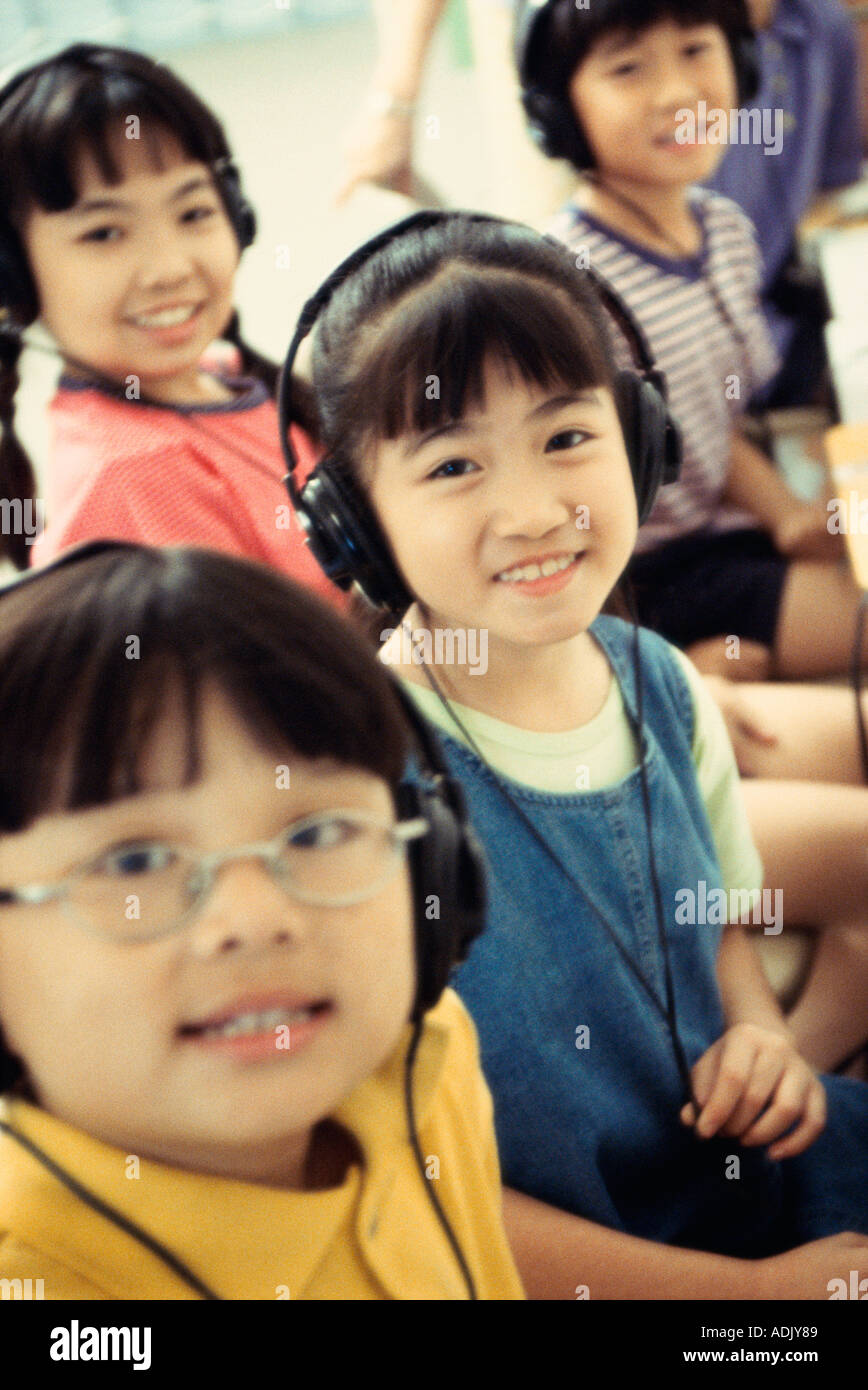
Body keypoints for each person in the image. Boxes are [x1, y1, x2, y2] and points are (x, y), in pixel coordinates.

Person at [282, 210, 868, 1298]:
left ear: (639, 441)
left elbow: (718, 923)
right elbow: (419, 1182)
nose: (534, 510)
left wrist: (761, 1034)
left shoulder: (659, 680)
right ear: (354, 521)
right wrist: (753, 1296)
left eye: (566, 438)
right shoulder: (351, 787)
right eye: (453, 464)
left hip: (756, 1187)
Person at [0, 540, 523, 1301]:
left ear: (431, 865)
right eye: (135, 863)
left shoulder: (428, 1061)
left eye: (315, 834)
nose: (254, 919)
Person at [514, 0, 868, 682]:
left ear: (740, 63)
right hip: (632, 582)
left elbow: (710, 423)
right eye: (628, 67)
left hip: (722, 541)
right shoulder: (562, 284)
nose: (677, 93)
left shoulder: (726, 230)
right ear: (560, 109)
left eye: (698, 51)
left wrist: (791, 518)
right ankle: (678, 675)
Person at [0, 44, 332, 600]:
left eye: (193, 213)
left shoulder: (223, 374)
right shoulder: (134, 473)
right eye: (104, 233)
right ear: (14, 277)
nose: (170, 269)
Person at [707, 0, 865, 408]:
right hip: (698, 325)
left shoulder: (826, 27)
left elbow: (835, 178)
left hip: (780, 315)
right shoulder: (681, 33)